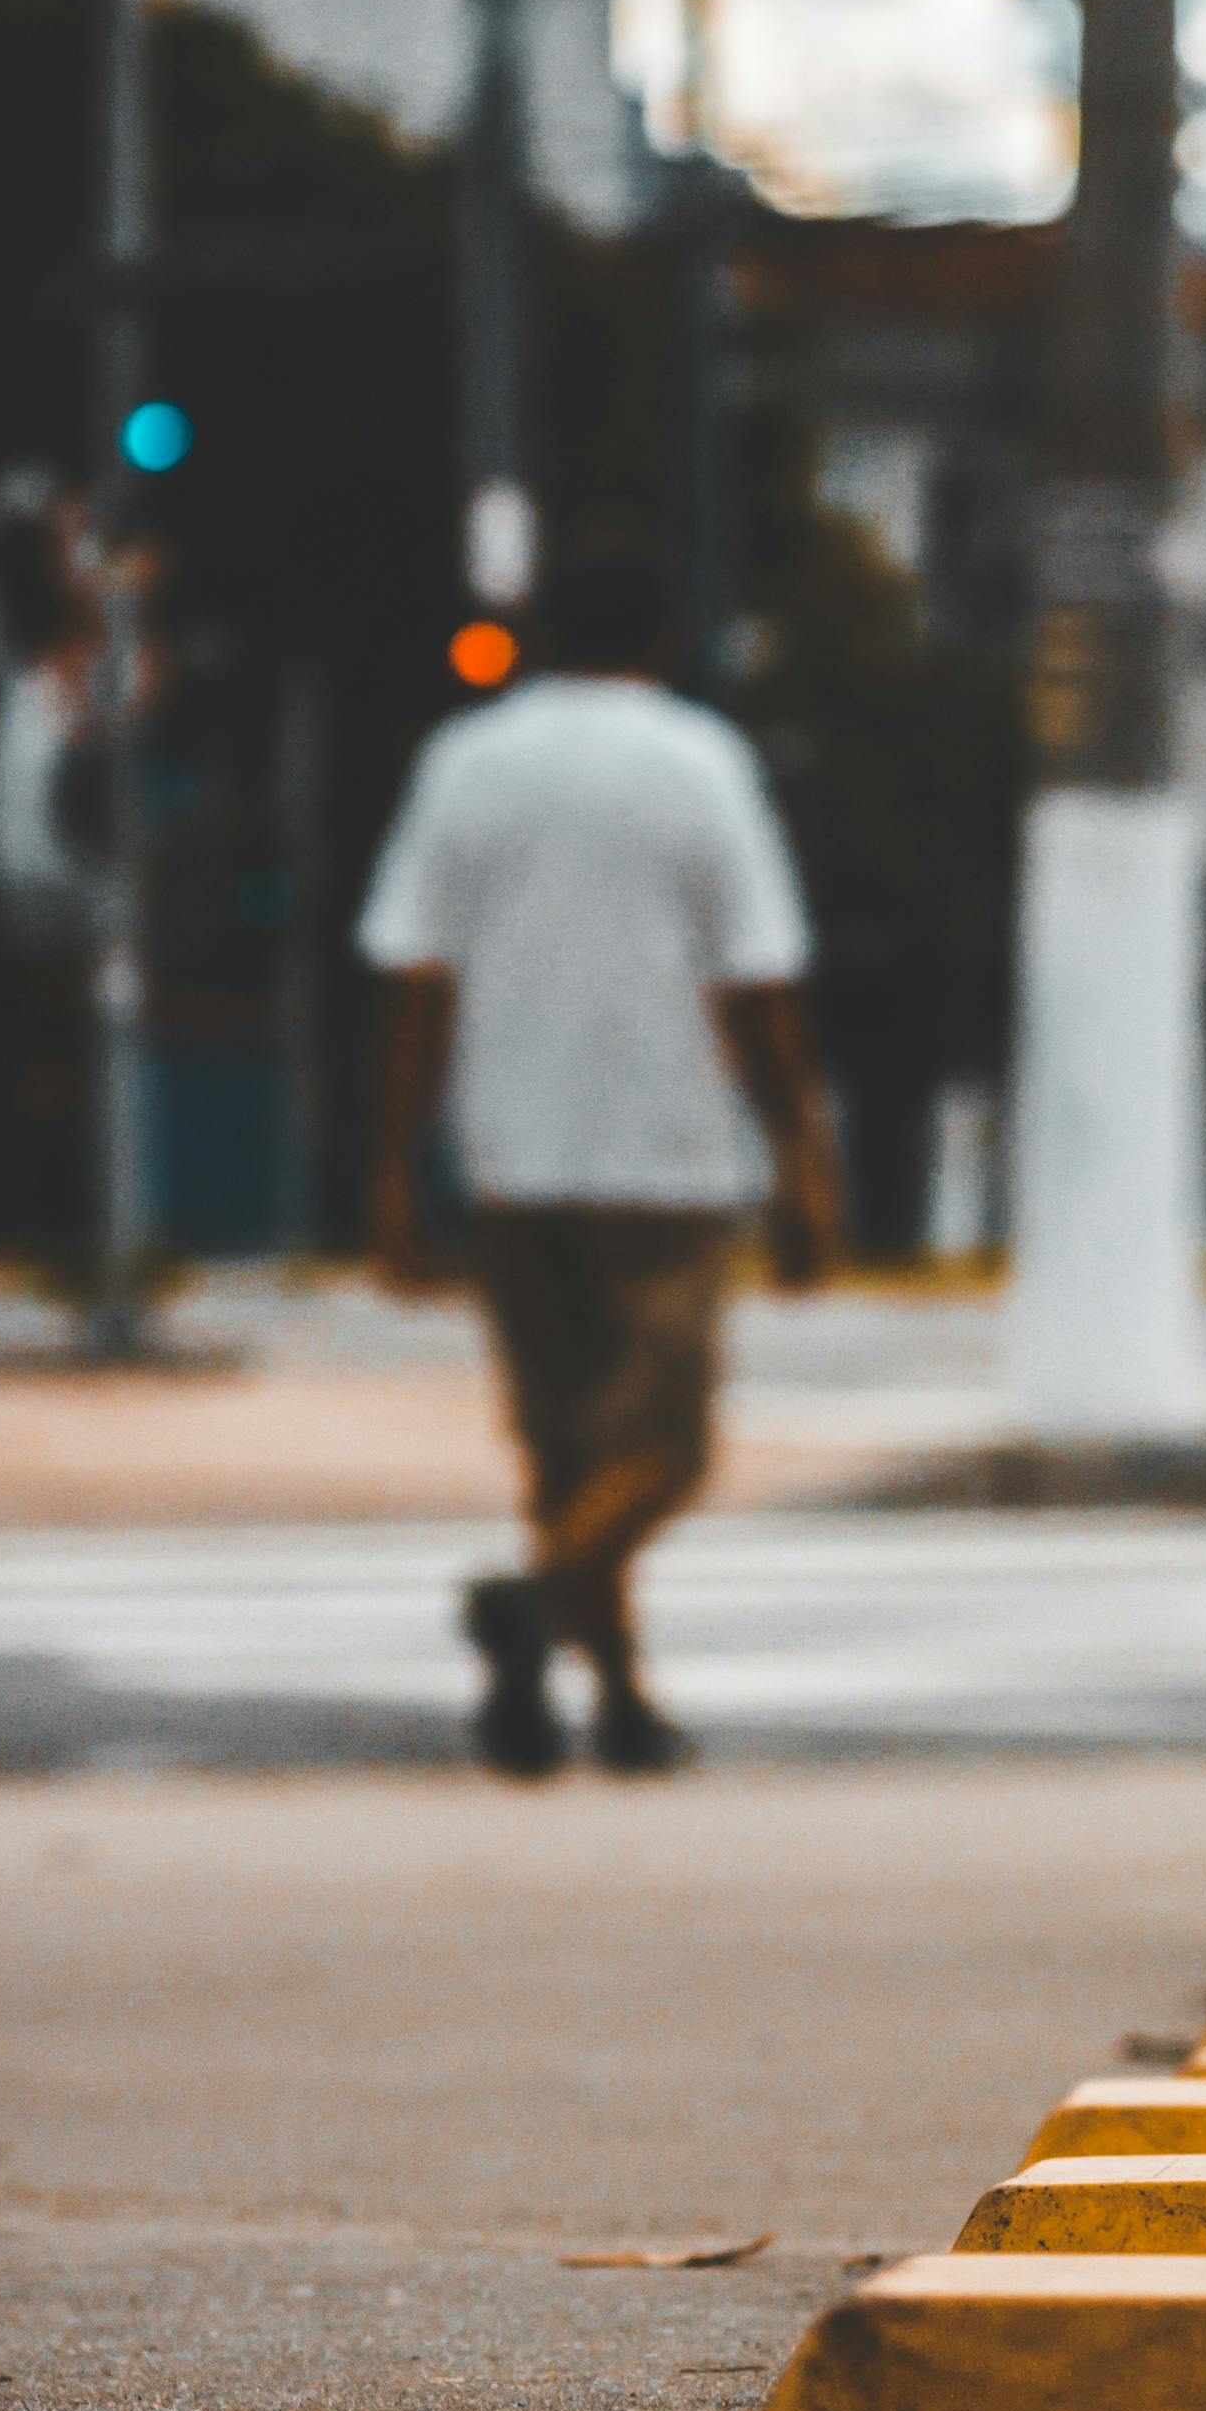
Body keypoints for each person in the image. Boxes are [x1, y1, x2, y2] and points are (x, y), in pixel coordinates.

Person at [357, 532, 843, 1778]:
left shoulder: (464, 764)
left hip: (511, 1149)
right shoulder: (699, 764)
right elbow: (758, 983)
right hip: (666, 1150)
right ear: (665, 638)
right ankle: (540, 1603)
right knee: (664, 1448)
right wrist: (801, 1155)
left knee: (564, 1445)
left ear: (539, 631)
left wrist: (394, 1166)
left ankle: (609, 1704)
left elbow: (417, 979)